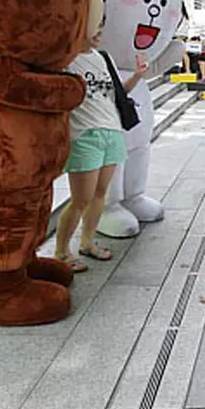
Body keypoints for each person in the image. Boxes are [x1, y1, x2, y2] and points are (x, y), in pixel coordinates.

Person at [55, 22, 148, 272]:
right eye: (93, 27)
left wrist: (137, 75)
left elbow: (117, 94)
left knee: (100, 195)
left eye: (101, 27)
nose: (98, 32)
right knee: (80, 199)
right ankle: (62, 252)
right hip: (84, 135)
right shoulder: (65, 60)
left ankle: (87, 242)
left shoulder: (102, 58)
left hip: (112, 131)